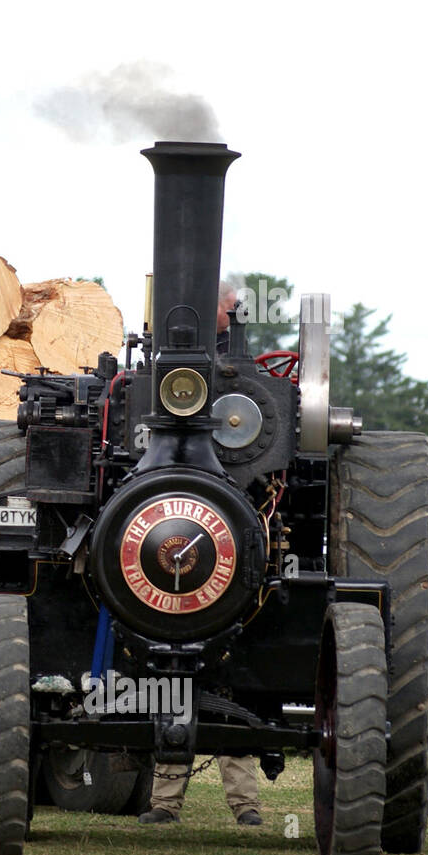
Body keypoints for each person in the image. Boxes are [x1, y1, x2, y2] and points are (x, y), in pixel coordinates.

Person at [139, 280, 262, 827]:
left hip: (230, 576)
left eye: (231, 307)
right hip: (160, 564)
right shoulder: (144, 374)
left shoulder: (247, 376)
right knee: (178, 686)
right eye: (223, 305)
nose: (228, 312)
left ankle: (246, 806)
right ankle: (165, 805)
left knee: (224, 691)